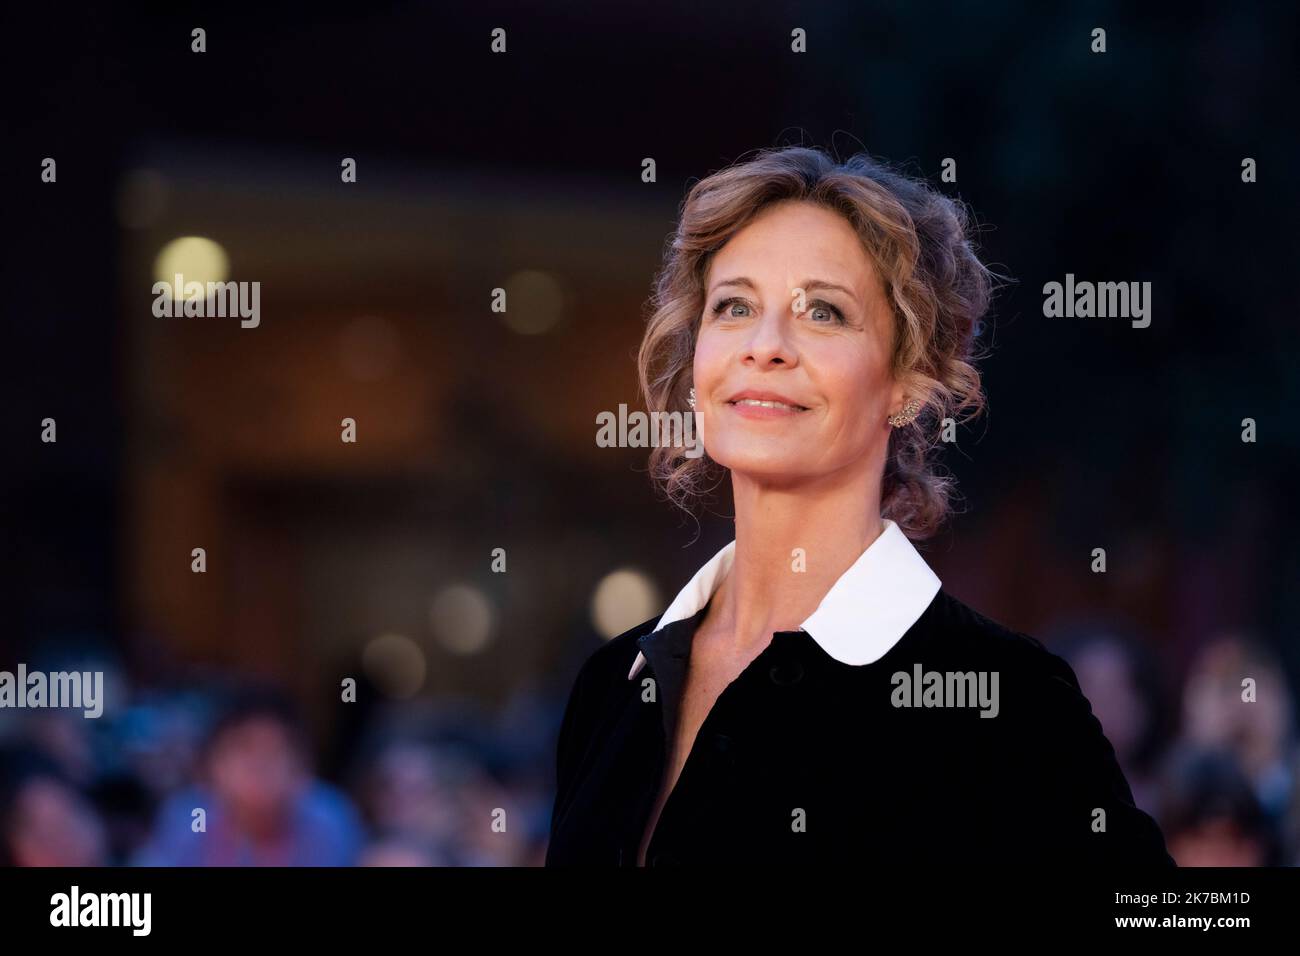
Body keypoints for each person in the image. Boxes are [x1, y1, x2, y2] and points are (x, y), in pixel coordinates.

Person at [545, 145, 1174, 867]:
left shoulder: (1004, 700)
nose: (765, 346)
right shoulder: (612, 686)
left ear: (908, 380)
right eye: (735, 306)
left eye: (823, 312)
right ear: (696, 364)